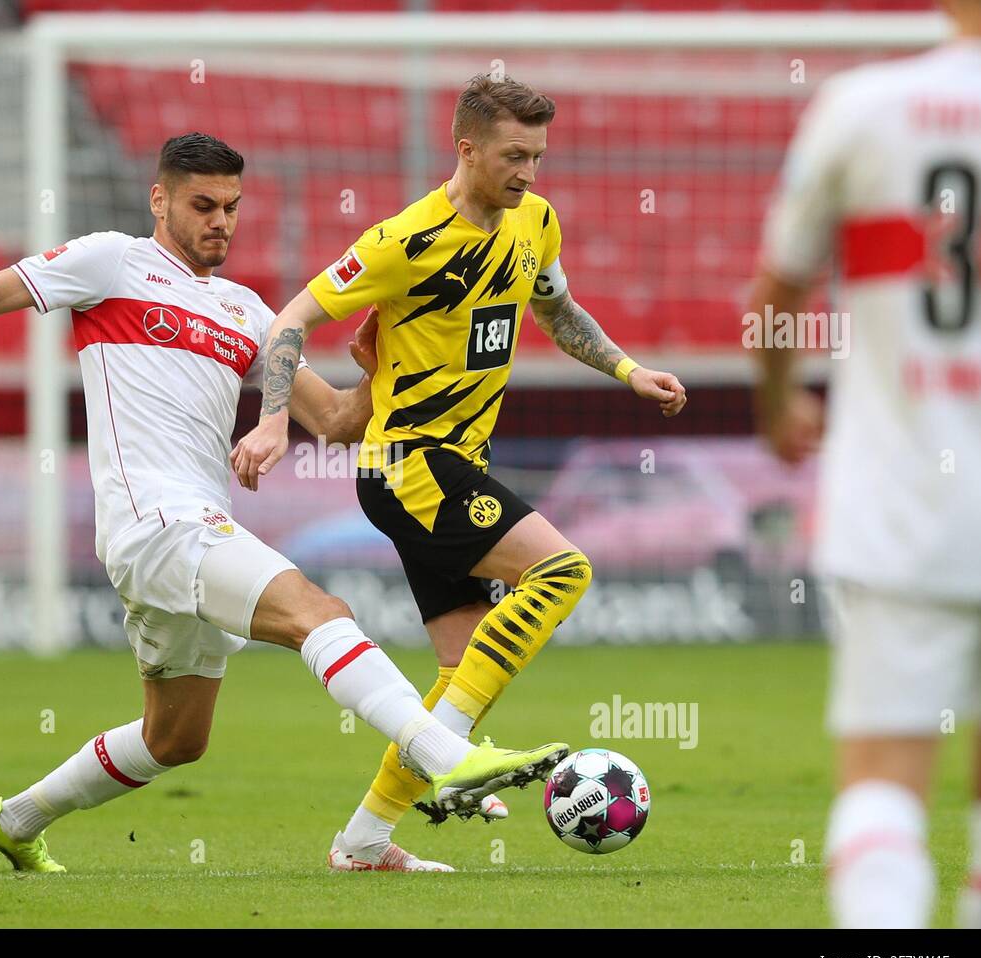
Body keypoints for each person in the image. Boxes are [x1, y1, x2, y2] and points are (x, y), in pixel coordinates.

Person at [0, 132, 571, 873]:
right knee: (315, 611)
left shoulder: (249, 311)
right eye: (202, 206)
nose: (220, 222)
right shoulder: (110, 262)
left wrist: (389, 358)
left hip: (189, 531)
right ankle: (444, 756)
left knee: (175, 737)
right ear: (160, 200)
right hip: (153, 521)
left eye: (231, 208)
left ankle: (12, 821)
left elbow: (336, 420)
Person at [231, 77, 687, 871]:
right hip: (408, 464)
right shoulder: (404, 241)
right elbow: (290, 320)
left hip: (453, 467)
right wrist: (273, 417)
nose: (530, 173)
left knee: (463, 672)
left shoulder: (535, 222)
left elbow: (557, 311)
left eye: (539, 157)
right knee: (561, 570)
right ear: (466, 149)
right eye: (515, 156)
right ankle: (451, 761)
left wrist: (626, 368)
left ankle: (366, 840)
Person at [749, 0, 981, 927]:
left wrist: (779, 405)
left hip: (906, 508)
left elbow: (776, 289)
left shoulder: (863, 106)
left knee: (886, 785)